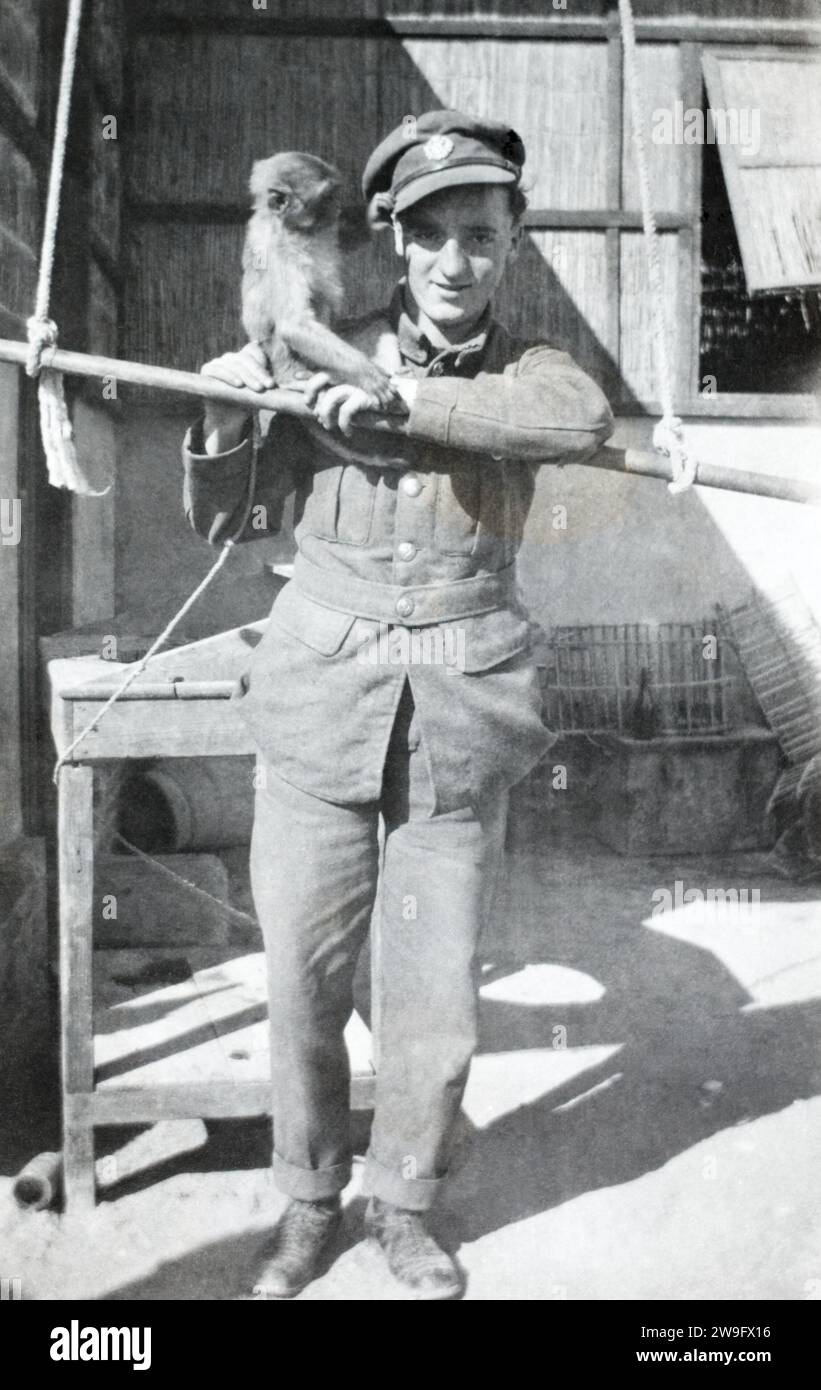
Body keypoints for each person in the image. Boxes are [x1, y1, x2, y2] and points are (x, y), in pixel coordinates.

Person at [182, 110, 614, 1300]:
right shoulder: (311, 344)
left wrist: (392, 402)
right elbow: (227, 519)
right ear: (394, 239)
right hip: (320, 704)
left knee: (430, 996)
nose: (454, 262)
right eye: (428, 237)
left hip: (458, 723)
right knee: (304, 982)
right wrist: (228, 419)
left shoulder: (530, 372)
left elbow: (575, 423)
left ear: (512, 239)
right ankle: (308, 1203)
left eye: (479, 234)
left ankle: (404, 1205)